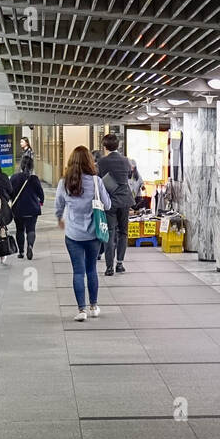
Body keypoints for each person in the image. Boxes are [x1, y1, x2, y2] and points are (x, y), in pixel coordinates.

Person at [54, 145, 112, 322]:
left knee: (78, 272)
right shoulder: (96, 181)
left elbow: (58, 205)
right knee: (91, 269)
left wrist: (60, 219)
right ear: (89, 161)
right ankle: (94, 306)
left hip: (73, 235)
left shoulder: (64, 182)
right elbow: (108, 205)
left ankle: (81, 310)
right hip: (94, 234)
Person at [95, 133, 136, 276]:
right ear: (118, 145)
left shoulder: (101, 162)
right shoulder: (126, 161)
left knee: (110, 234)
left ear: (105, 146)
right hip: (125, 200)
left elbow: (99, 181)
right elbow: (128, 177)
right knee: (123, 232)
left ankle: (109, 267)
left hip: (110, 201)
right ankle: (120, 264)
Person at [9, 159, 44, 260]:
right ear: (32, 166)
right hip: (32, 209)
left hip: (18, 209)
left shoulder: (14, 178)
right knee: (31, 229)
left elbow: (10, 193)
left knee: (19, 230)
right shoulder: (34, 178)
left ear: (21, 166)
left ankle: (21, 252)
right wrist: (40, 202)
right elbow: (40, 193)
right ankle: (30, 246)